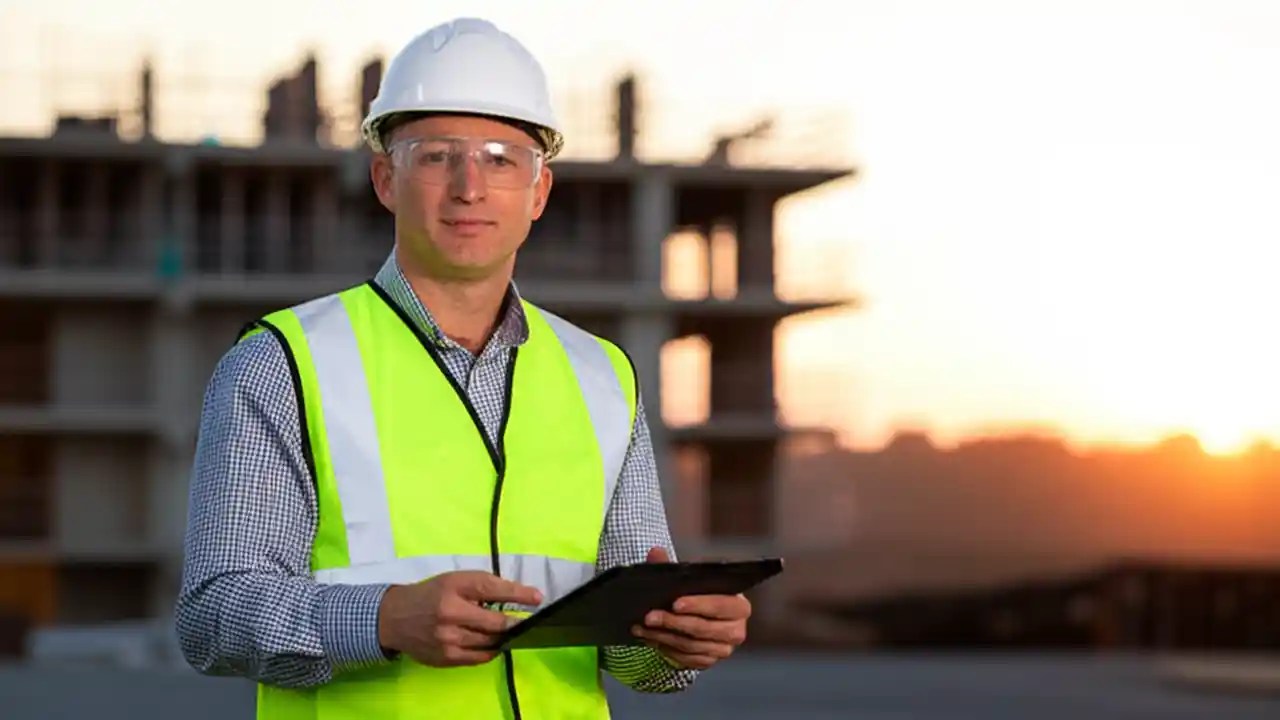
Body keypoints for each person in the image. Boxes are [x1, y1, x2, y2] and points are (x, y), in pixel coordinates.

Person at [175, 16, 753, 720]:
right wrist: (385, 619)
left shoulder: (603, 376)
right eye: (437, 156)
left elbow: (623, 651)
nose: (469, 187)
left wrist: (674, 639)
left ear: (538, 193)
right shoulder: (281, 364)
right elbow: (212, 616)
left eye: (501, 158)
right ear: (386, 178)